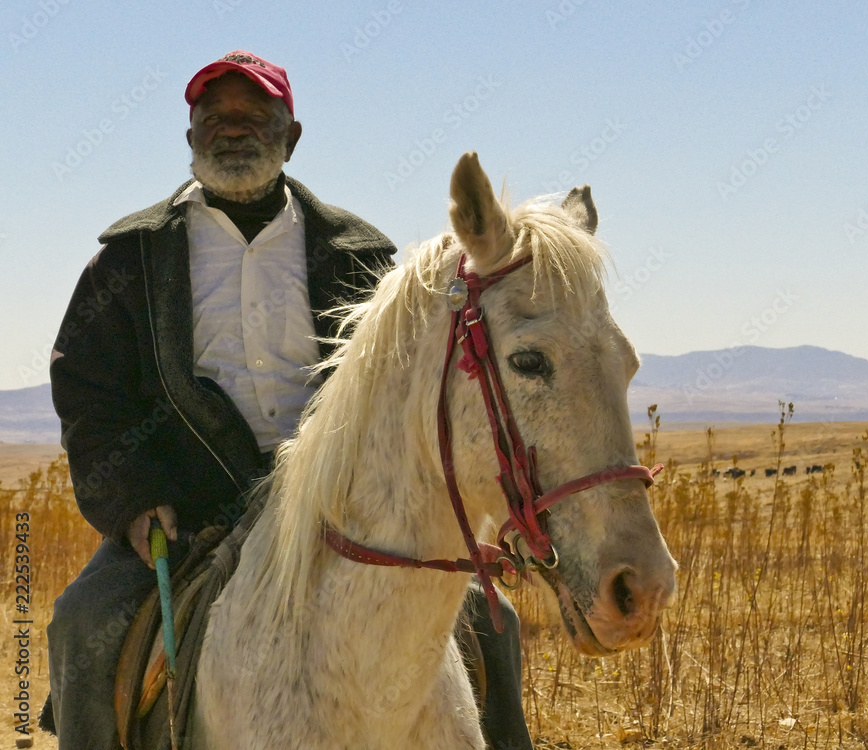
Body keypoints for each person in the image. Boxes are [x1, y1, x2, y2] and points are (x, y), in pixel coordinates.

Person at [45, 50, 533, 749]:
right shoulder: (132, 258)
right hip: (184, 509)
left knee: (493, 619)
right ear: (190, 138)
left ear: (292, 135)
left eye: (254, 116)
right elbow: (89, 393)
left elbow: (409, 388)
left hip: (340, 508)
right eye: (214, 118)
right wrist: (132, 497)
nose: (232, 130)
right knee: (83, 622)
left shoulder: (356, 253)